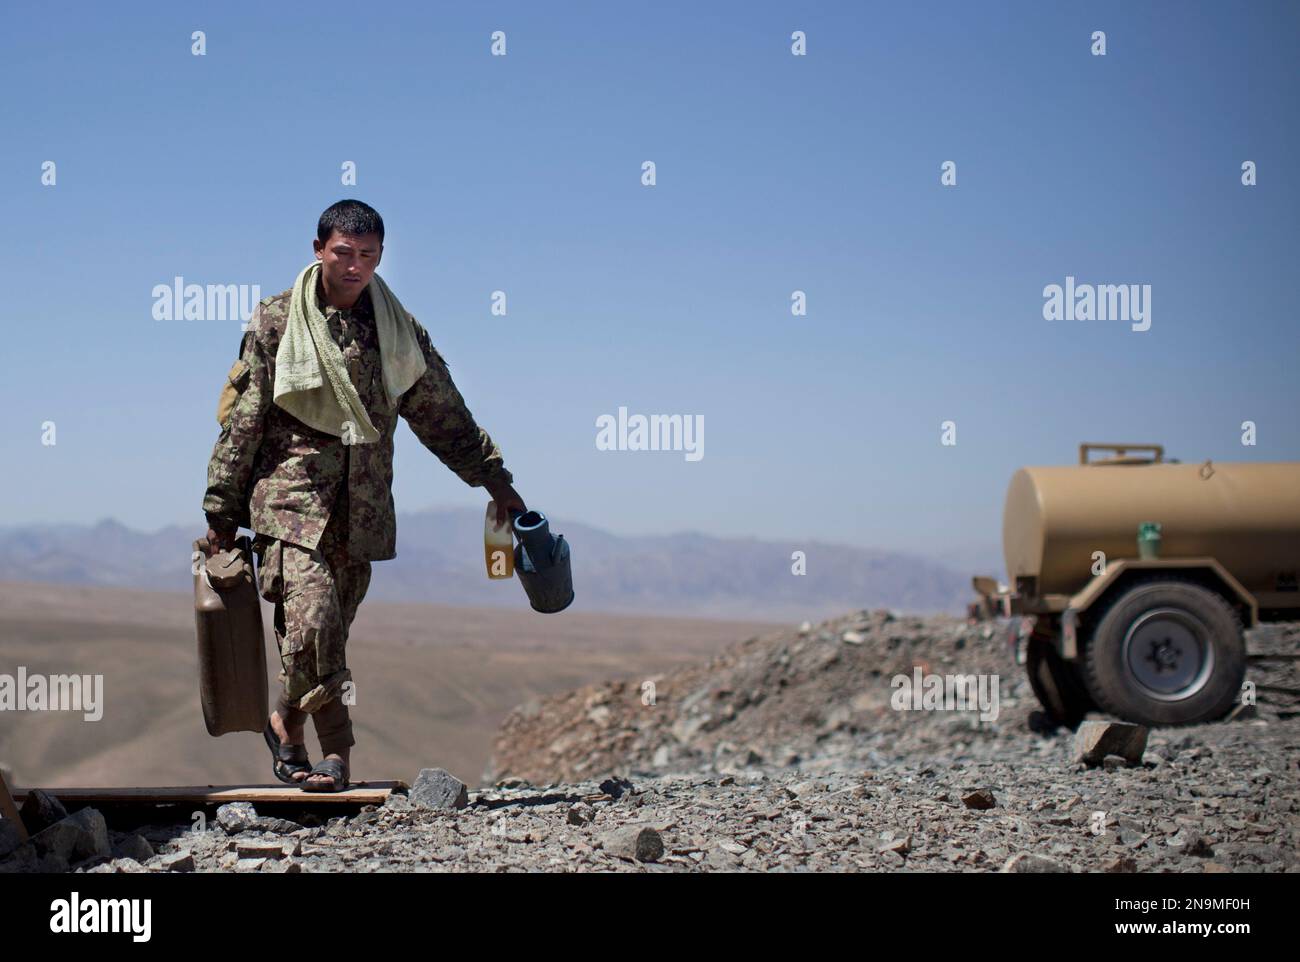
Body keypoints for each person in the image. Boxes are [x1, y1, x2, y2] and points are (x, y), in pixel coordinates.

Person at [201, 199, 524, 790]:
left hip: (363, 510)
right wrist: (221, 511)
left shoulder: (398, 333)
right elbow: (244, 420)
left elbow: (442, 416)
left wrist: (497, 483)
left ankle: (284, 719)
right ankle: (339, 757)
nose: (354, 266)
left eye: (367, 256)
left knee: (320, 639)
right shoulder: (277, 321)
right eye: (343, 253)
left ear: (381, 258)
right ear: (319, 249)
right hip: (291, 505)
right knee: (315, 619)